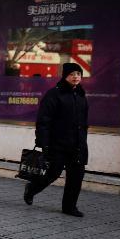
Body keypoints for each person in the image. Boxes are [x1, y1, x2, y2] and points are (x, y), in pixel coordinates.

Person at [23, 62, 89, 217]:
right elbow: (44, 121)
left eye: (78, 74)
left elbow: (83, 122)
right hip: (58, 144)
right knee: (52, 174)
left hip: (77, 145)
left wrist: (83, 140)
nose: (75, 77)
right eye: (72, 74)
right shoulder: (54, 94)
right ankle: (32, 188)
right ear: (65, 76)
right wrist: (43, 143)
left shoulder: (81, 95)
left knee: (76, 176)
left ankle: (69, 207)